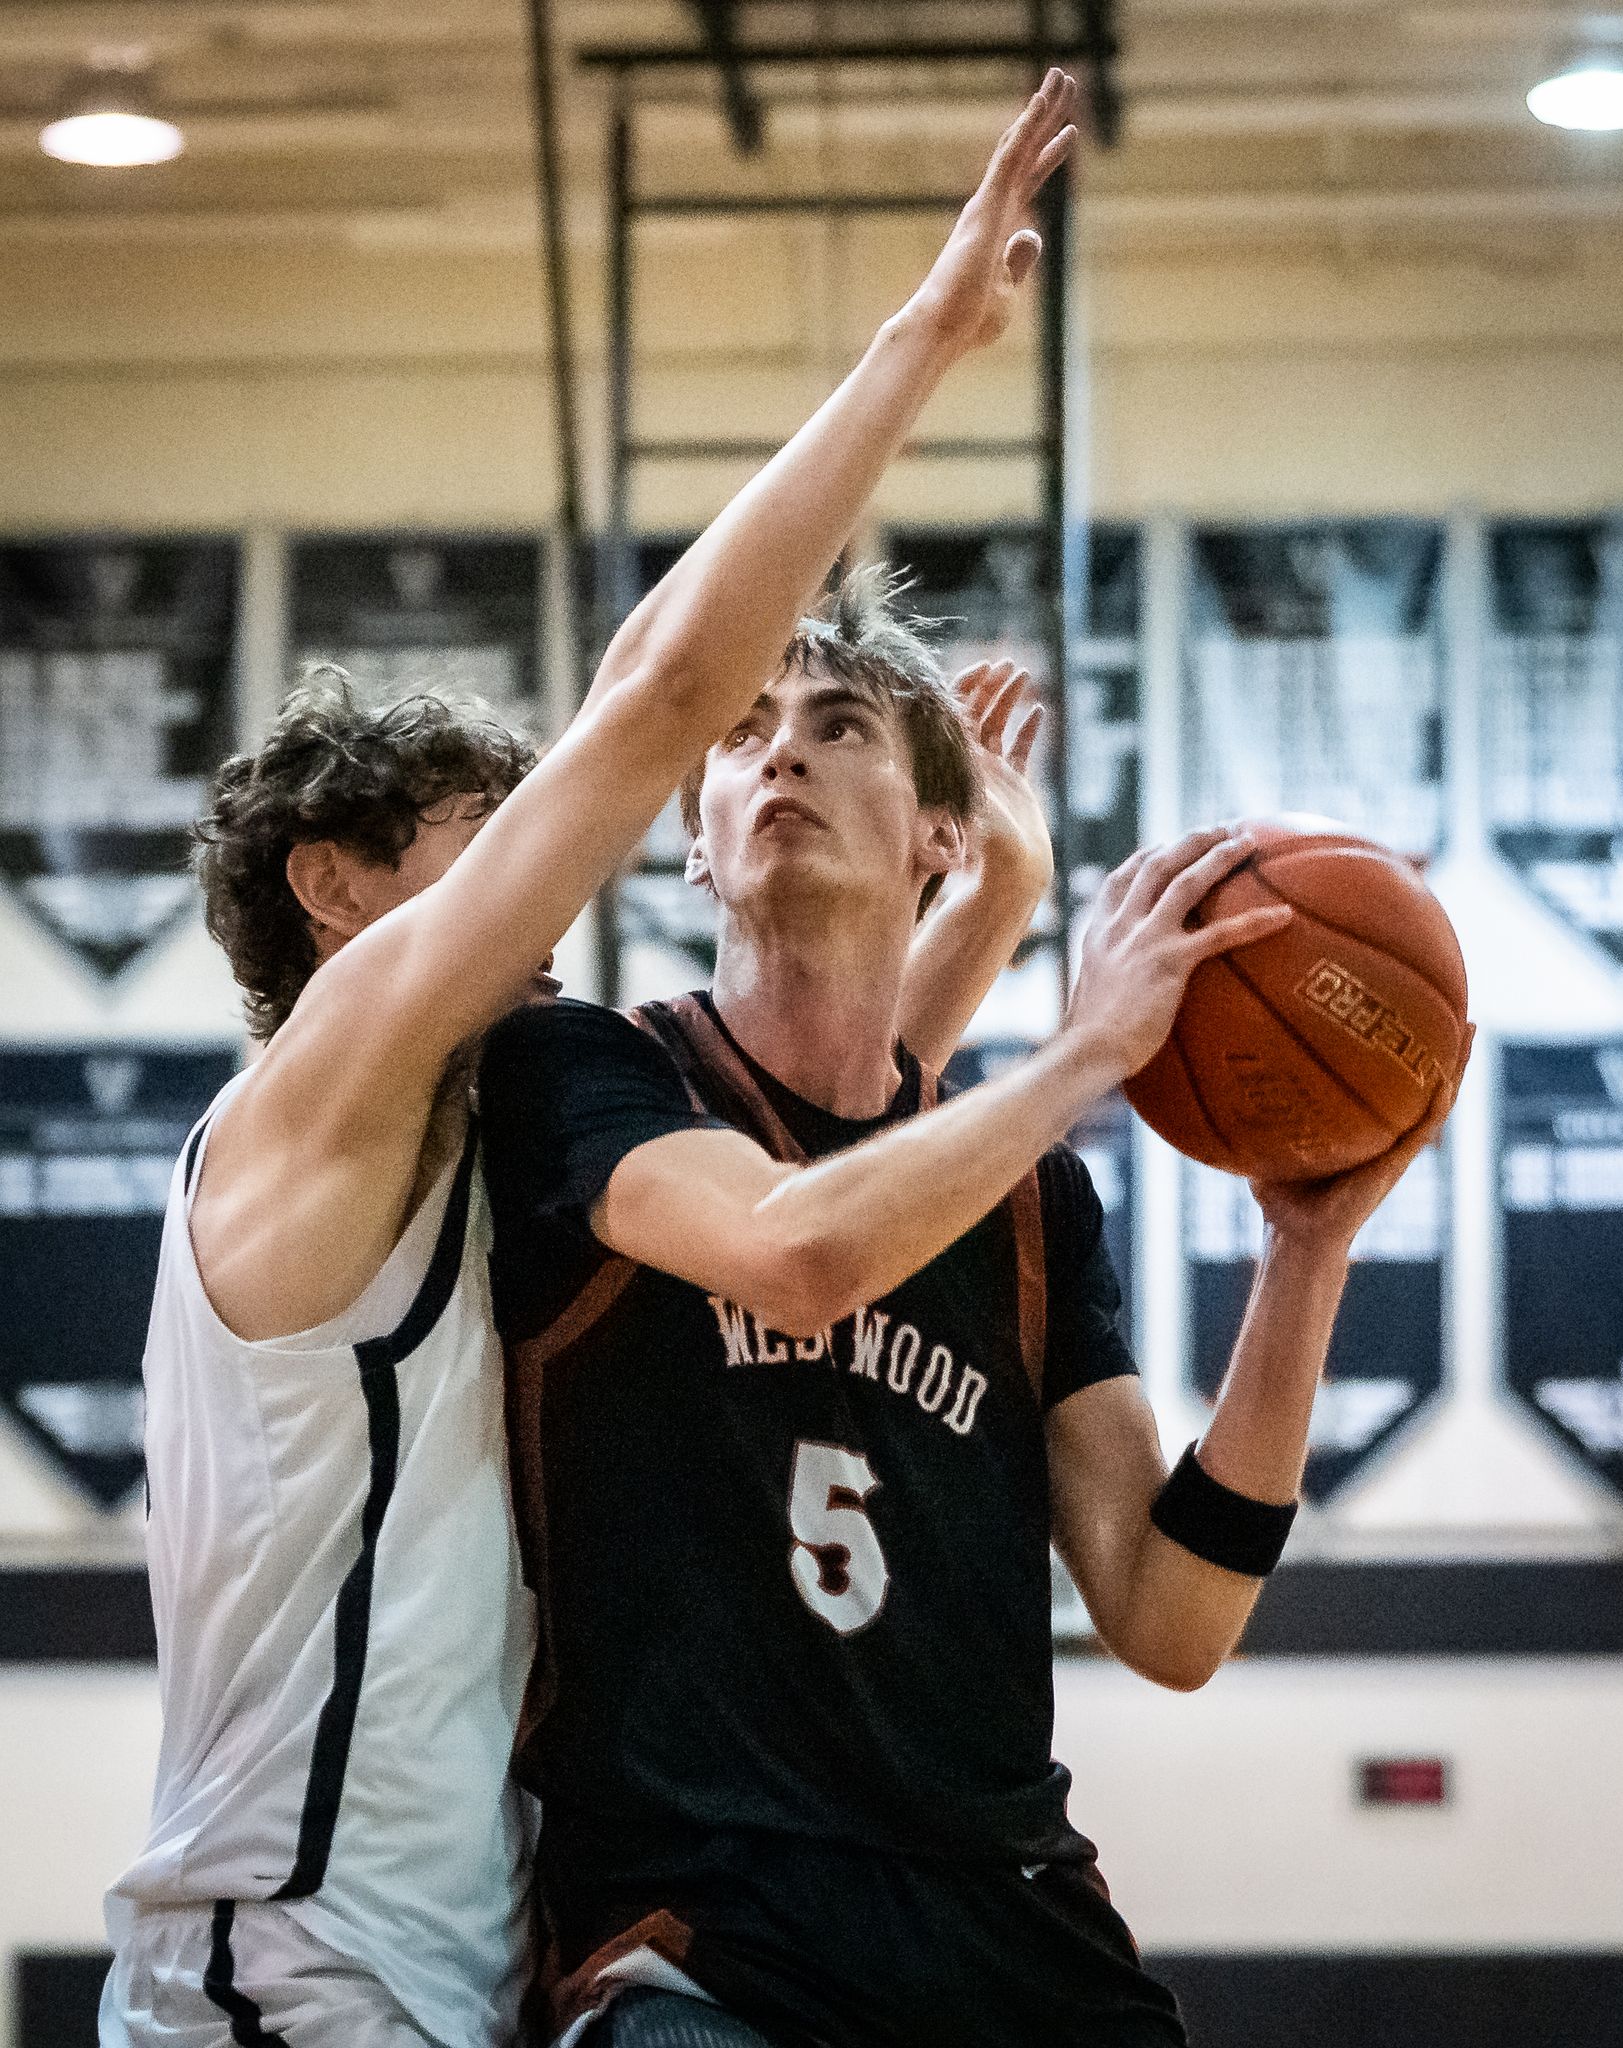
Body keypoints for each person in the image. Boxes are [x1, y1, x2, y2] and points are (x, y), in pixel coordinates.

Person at [98, 73, 1081, 2048]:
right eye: (487, 845)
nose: (544, 901)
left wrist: (996, 895)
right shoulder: (317, 1102)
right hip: (284, 1979)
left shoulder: (485, 1134)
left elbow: (832, 1129)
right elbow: (660, 696)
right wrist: (924, 342)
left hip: (439, 1978)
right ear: (337, 891)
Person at [478, 571, 1462, 2048]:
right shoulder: (585, 1077)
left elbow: (1172, 1615)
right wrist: (1083, 1050)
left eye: (838, 725)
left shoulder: (1027, 1201)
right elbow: (805, 1250)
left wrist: (1303, 1253)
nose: (781, 750)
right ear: (693, 841)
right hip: (709, 1934)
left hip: (1003, 1920)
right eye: (742, 733)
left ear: (943, 832)